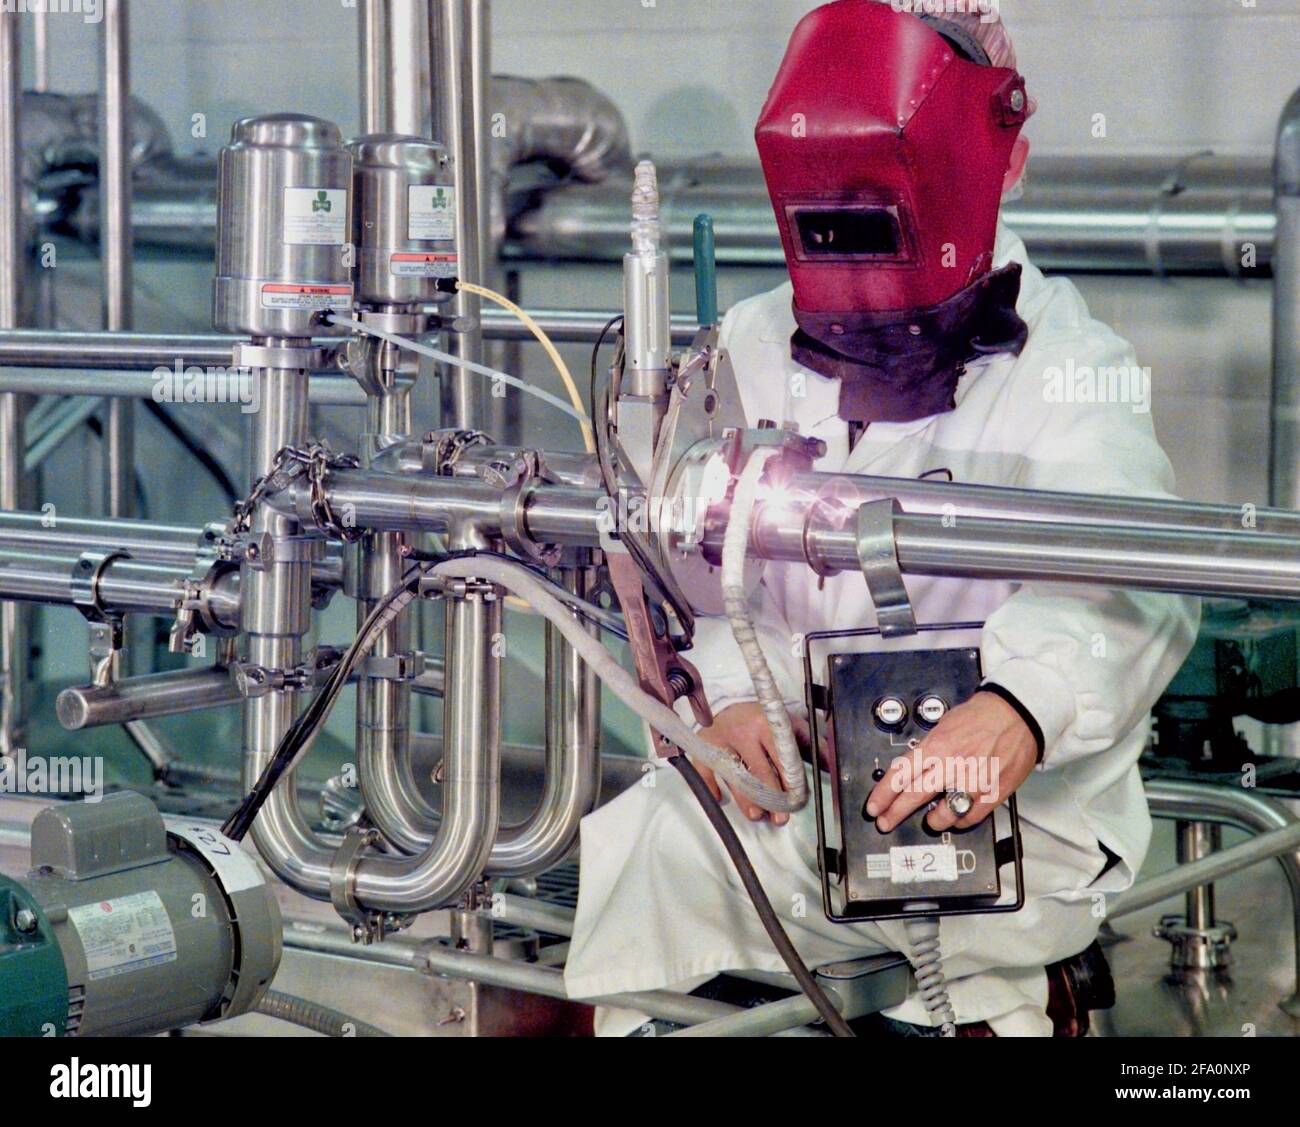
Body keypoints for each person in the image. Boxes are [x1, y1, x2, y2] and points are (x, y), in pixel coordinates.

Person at [564, 0, 1200, 1037]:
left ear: (1008, 160)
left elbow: (1136, 572)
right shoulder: (755, 336)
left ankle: (999, 1008)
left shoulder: (1071, 364)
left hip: (1005, 802)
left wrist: (1025, 706)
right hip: (785, 772)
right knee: (664, 862)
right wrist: (724, 699)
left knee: (952, 935)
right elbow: (686, 562)